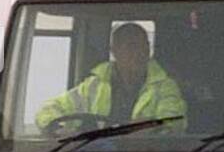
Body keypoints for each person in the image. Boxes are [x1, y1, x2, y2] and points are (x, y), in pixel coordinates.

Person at [35, 22, 187, 133]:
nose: (140, 52)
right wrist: (58, 129)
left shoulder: (164, 86)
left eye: (144, 46)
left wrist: (150, 127)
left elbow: (174, 123)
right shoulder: (93, 85)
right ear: (114, 51)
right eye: (131, 46)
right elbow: (49, 110)